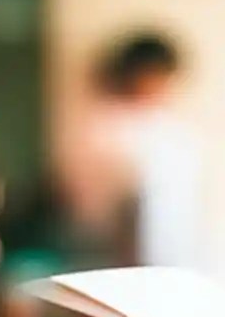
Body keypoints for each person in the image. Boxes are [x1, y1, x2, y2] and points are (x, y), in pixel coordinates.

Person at [61, 30, 201, 271]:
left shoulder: (174, 130)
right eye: (152, 75)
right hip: (112, 251)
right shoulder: (104, 127)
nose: (159, 85)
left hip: (171, 251)